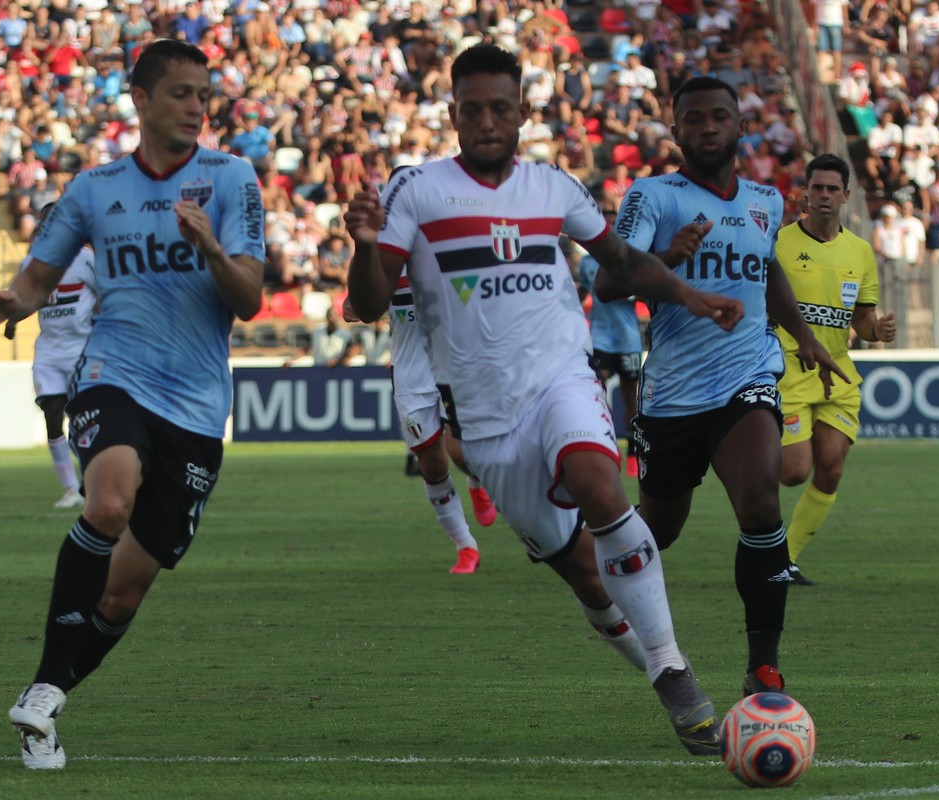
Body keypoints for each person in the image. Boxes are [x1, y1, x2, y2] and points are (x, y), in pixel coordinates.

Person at [344, 45, 746, 756]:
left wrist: (686, 294)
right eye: (473, 109)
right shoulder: (419, 190)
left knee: (600, 483)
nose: (487, 120)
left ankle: (672, 667)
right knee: (586, 575)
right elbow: (370, 303)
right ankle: (655, 663)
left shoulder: (554, 186)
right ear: (453, 114)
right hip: (486, 419)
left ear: (523, 112)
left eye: (500, 107)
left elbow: (619, 261)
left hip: (562, 375)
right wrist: (365, 244)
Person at [0, 40, 266, 770]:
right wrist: (13, 302)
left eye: (204, 95)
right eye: (181, 93)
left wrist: (210, 248)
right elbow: (37, 279)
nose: (196, 107)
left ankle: (45, 696)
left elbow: (249, 299)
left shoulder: (231, 178)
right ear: (140, 99)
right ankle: (45, 692)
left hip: (197, 406)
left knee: (123, 595)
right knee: (107, 503)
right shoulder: (94, 189)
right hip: (115, 373)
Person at [598, 76, 847, 698]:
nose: (707, 126)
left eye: (719, 116)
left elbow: (767, 270)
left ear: (740, 126)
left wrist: (803, 336)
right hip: (673, 394)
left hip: (749, 375)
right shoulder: (653, 196)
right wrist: (669, 259)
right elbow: (608, 284)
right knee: (659, 530)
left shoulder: (765, 199)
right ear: (676, 131)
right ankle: (594, 566)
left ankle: (764, 666)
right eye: (694, 118)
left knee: (761, 501)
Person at [774, 154, 896, 586]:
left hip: (838, 376)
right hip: (789, 371)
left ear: (845, 195)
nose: (824, 195)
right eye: (817, 188)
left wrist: (877, 331)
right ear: (805, 193)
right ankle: (742, 464)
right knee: (793, 472)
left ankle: (785, 558)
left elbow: (862, 319)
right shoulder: (779, 243)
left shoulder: (859, 252)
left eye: (832, 189)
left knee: (832, 468)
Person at [362, 261, 497, 575]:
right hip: (411, 376)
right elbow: (363, 302)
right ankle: (465, 545)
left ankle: (476, 480)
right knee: (432, 466)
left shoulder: (448, 249)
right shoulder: (388, 258)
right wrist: (357, 301)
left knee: (460, 453)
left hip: (454, 367)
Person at [4, 203, 99, 509]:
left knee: (85, 419)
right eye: (45, 224)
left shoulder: (85, 259)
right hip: (49, 350)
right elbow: (24, 298)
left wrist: (98, 319)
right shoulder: (32, 262)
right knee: (53, 412)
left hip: (84, 348)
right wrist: (12, 320)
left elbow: (107, 293)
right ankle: (71, 488)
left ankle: (91, 484)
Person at [577, 248, 644, 479]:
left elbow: (645, 291)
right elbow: (584, 291)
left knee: (630, 398)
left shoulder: (628, 257)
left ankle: (633, 453)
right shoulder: (587, 262)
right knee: (596, 393)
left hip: (628, 339)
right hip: (600, 338)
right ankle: (606, 446)